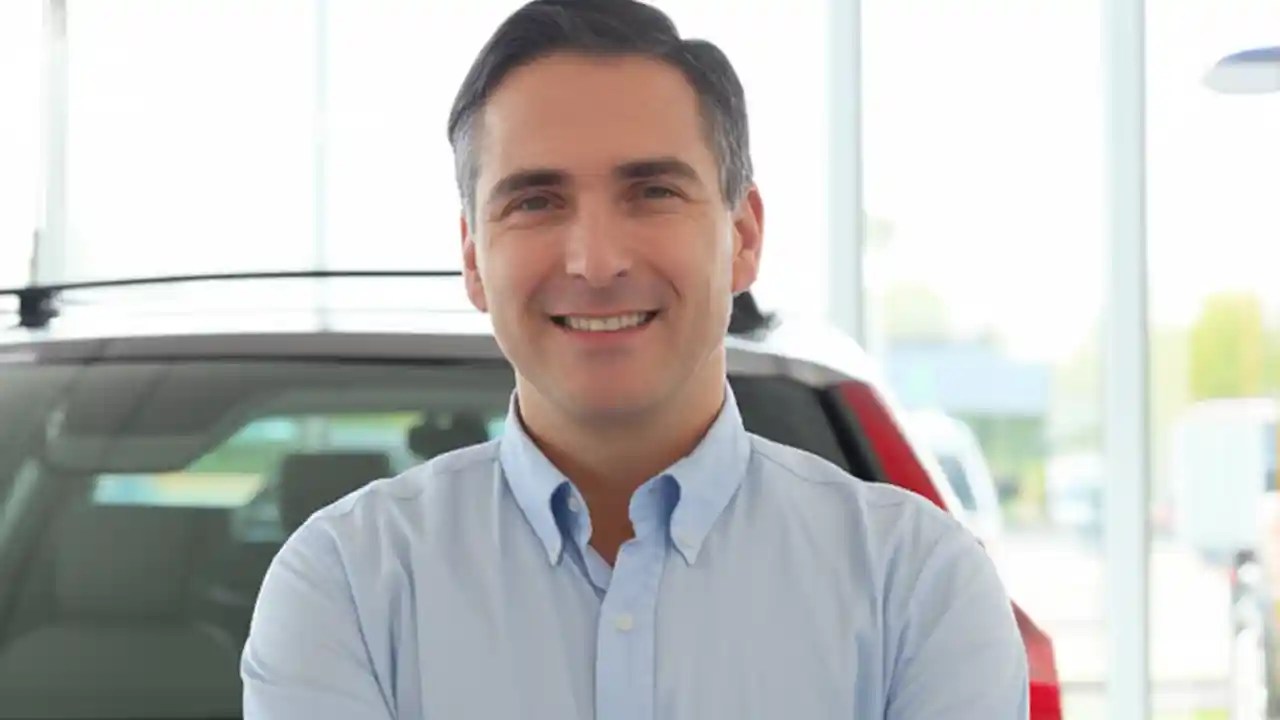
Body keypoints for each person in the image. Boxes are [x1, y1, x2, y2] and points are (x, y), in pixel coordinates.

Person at [240, 1, 1029, 717]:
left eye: (652, 192)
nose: (595, 260)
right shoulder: (345, 586)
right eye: (536, 201)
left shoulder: (917, 588)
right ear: (474, 258)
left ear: (744, 236)